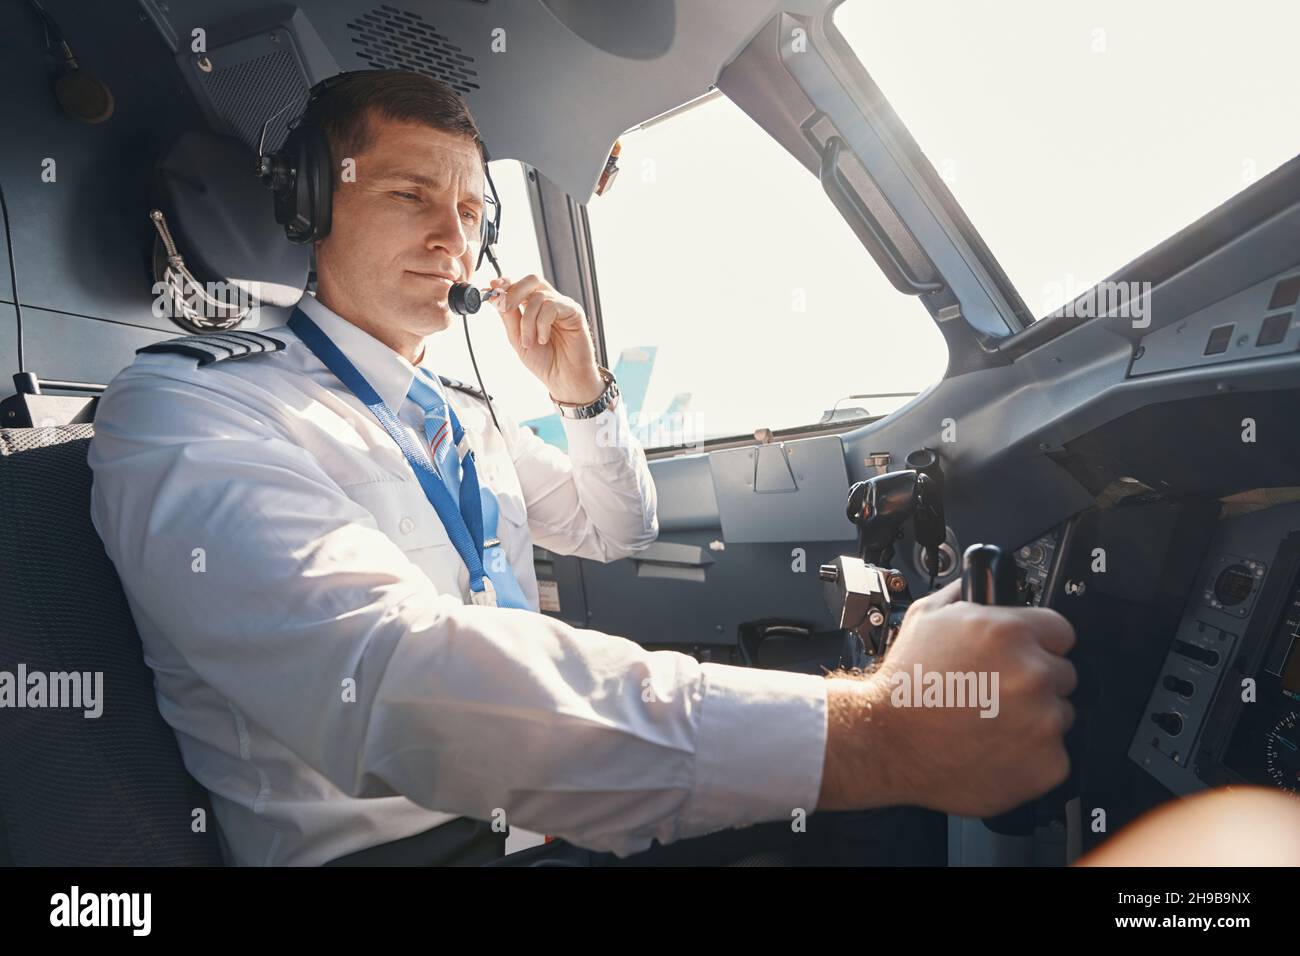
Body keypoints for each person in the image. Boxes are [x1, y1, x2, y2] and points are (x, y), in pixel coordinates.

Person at [87, 69, 1077, 866]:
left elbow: (619, 526)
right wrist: (874, 732)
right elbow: (396, 677)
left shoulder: (462, 417)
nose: (452, 237)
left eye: (473, 211)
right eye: (409, 194)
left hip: (546, 816)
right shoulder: (196, 409)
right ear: (311, 203)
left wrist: (583, 395)